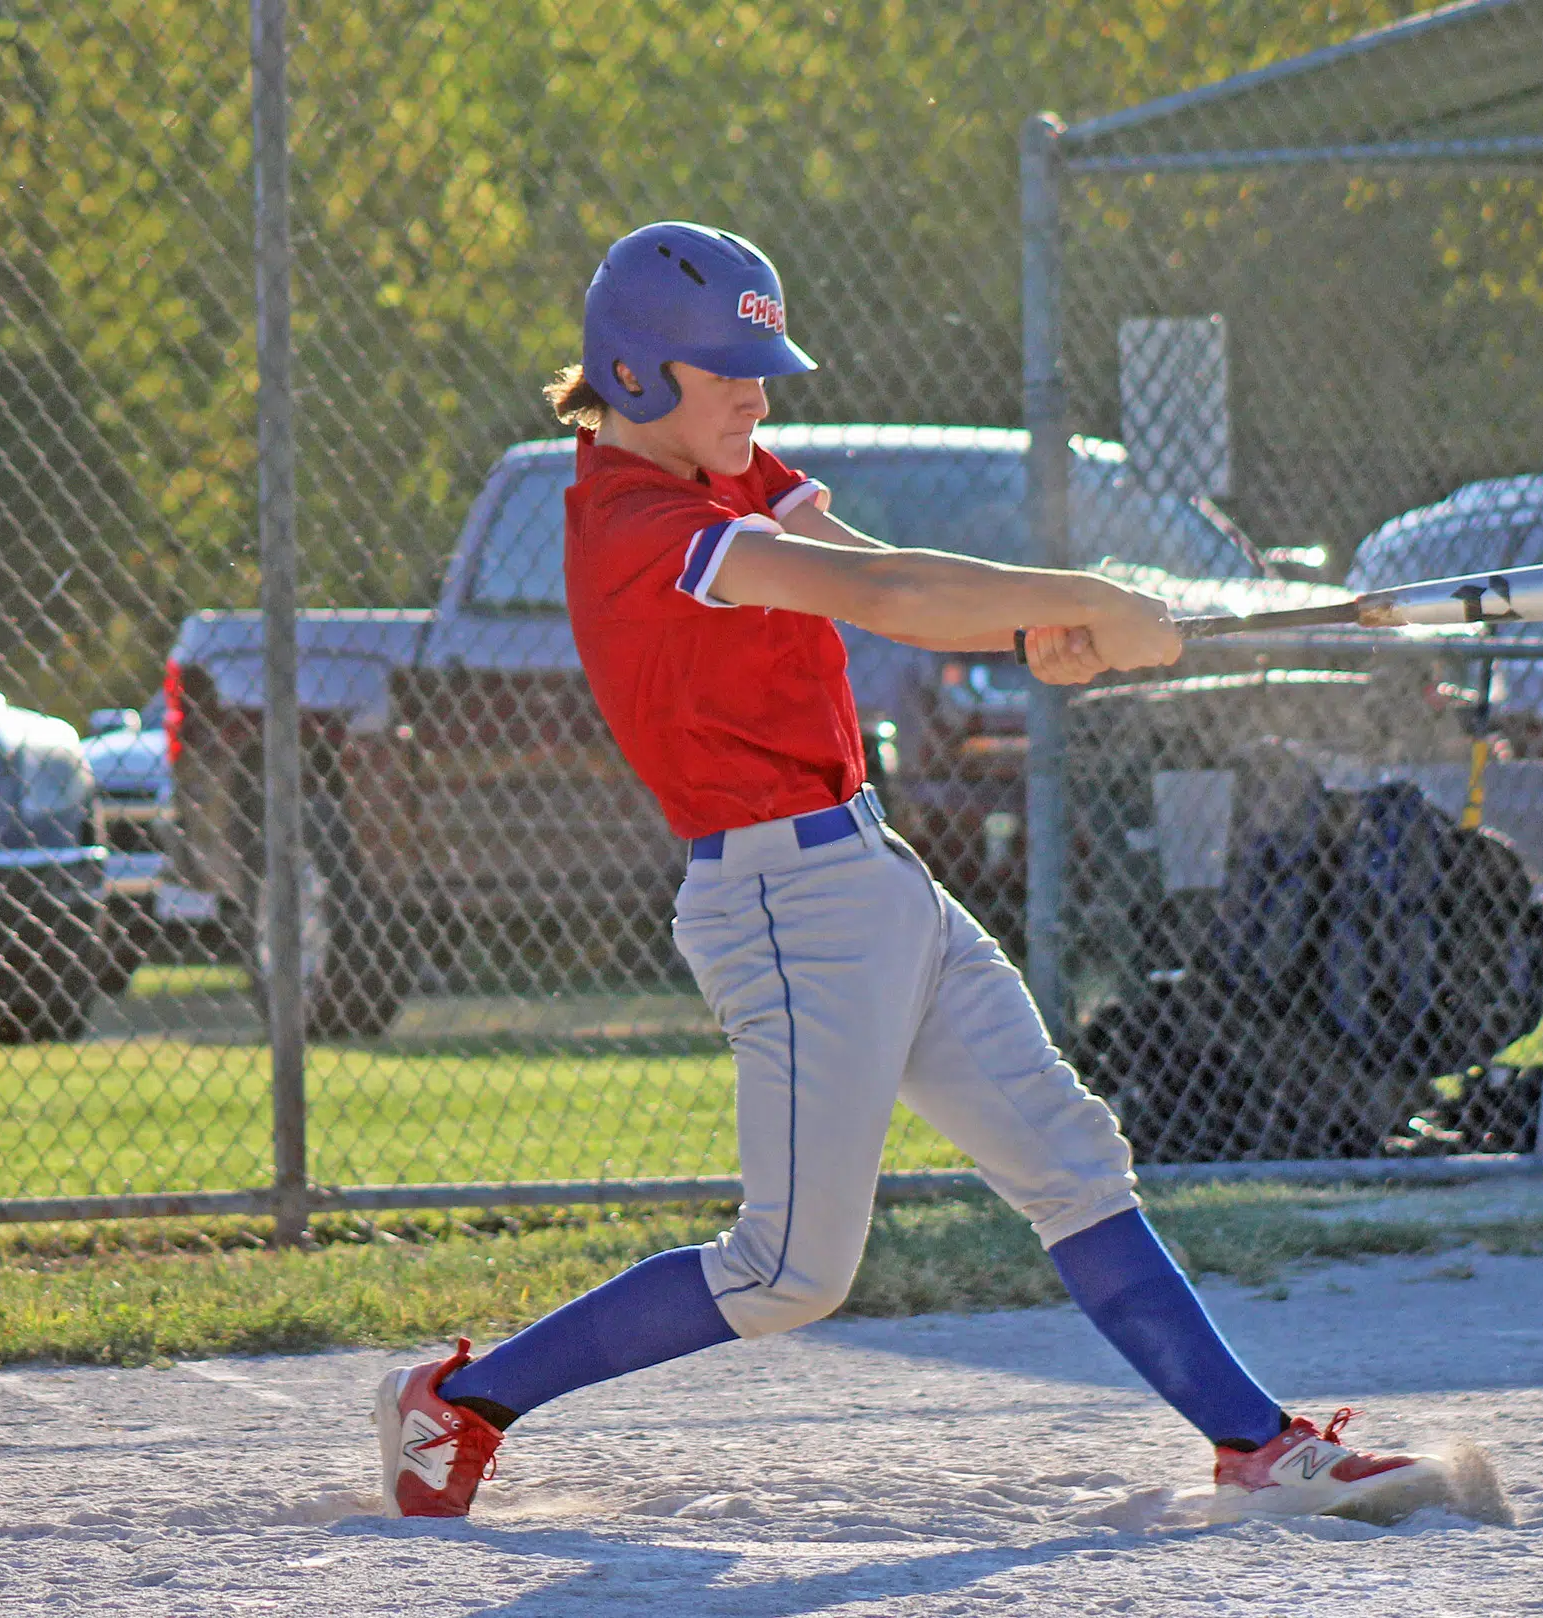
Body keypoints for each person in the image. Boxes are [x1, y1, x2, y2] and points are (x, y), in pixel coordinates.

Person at [371, 221, 1446, 1524]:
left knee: (1069, 1159)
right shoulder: (640, 523)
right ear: (640, 376)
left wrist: (1055, 624)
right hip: (781, 902)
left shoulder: (731, 468)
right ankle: (462, 1399)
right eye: (727, 370)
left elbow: (892, 569)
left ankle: (1255, 1444)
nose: (756, 394)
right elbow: (875, 596)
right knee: (788, 1272)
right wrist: (1087, 592)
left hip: (867, 875)